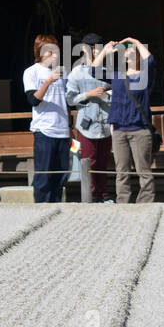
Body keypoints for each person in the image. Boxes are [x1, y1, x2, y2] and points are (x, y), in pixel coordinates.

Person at [102, 36, 156, 204]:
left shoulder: (145, 76)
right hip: (119, 129)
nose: (129, 52)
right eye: (127, 50)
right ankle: (123, 203)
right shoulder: (117, 75)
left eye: (133, 50)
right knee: (122, 171)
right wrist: (105, 50)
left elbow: (151, 60)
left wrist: (136, 41)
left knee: (143, 170)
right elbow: (93, 69)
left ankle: (145, 203)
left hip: (140, 129)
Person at [65, 33, 113, 203]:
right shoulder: (76, 73)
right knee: (89, 162)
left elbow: (117, 94)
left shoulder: (109, 71)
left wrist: (108, 94)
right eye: (92, 48)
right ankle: (90, 197)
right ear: (84, 49)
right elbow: (69, 99)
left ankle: (104, 195)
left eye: (98, 48)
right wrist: (88, 94)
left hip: (106, 124)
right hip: (86, 126)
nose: (95, 51)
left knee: (103, 162)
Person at [23, 35, 70, 203]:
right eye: (50, 51)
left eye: (56, 51)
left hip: (63, 130)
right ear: (40, 52)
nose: (54, 55)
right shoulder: (31, 72)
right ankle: (41, 210)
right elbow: (33, 100)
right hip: (44, 130)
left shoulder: (62, 72)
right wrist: (48, 81)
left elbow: (69, 99)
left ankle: (56, 208)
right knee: (43, 176)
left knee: (62, 175)